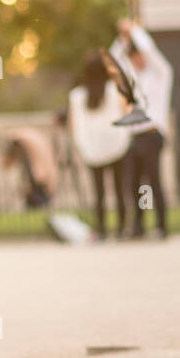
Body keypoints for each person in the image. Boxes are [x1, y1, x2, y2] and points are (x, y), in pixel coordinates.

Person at [110, 19, 173, 238]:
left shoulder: (161, 74)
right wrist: (123, 39)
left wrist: (135, 31)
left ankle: (162, 226)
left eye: (136, 54)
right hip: (133, 135)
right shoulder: (132, 80)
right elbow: (114, 60)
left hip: (152, 134)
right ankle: (138, 226)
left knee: (154, 182)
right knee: (134, 185)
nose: (135, 59)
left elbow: (150, 50)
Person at [61, 51, 132, 239]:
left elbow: (72, 125)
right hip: (116, 144)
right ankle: (122, 227)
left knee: (98, 191)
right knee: (119, 189)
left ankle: (101, 229)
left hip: (92, 148)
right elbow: (126, 111)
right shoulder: (114, 90)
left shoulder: (76, 96)